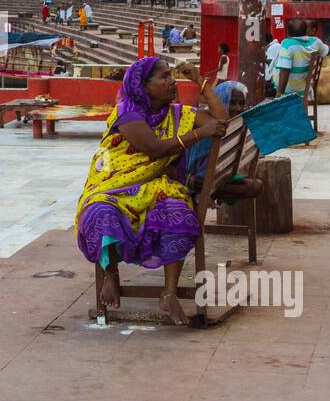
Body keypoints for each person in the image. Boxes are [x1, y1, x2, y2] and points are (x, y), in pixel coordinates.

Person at [76, 57, 226, 325]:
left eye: (172, 76)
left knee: (177, 211)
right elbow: (155, 149)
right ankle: (110, 274)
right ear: (144, 87)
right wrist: (199, 134)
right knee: (101, 212)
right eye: (164, 77)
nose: (171, 82)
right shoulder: (127, 112)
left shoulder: (176, 114)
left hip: (155, 183)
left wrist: (200, 82)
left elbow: (221, 120)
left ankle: (169, 294)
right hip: (114, 184)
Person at [182, 80, 263, 204]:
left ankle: (205, 193)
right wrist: (189, 179)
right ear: (220, 100)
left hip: (217, 178)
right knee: (253, 186)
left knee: (256, 186)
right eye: (232, 103)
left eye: (241, 103)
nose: (238, 108)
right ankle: (199, 196)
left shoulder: (236, 125)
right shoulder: (201, 120)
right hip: (195, 180)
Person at [273, 19, 329, 97]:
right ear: (305, 31)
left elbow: (285, 70)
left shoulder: (287, 44)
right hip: (305, 87)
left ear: (288, 33)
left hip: (289, 89)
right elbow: (327, 51)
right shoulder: (316, 42)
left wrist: (280, 93)